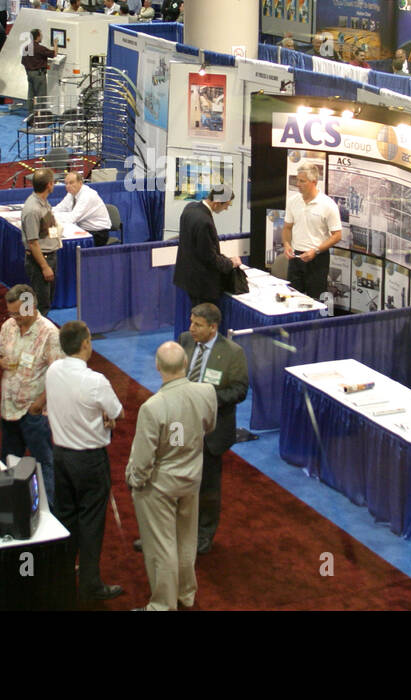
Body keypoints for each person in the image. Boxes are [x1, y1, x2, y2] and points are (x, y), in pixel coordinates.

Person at [126, 340, 217, 611]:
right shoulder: (207, 392)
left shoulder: (153, 407)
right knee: (186, 541)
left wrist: (135, 481)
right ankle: (186, 594)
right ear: (186, 363)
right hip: (191, 479)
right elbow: (209, 426)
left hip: (159, 486)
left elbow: (143, 458)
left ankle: (162, 605)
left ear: (157, 366)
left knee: (161, 547)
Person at [45, 319, 124, 602]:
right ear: (86, 344)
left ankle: (64, 576)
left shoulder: (53, 371)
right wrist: (106, 418)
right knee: (91, 522)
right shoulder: (95, 380)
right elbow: (117, 411)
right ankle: (90, 584)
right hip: (89, 460)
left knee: (66, 517)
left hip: (61, 457)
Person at [178, 303, 249, 553]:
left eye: (197, 324)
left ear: (213, 327)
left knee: (207, 486)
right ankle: (174, 530)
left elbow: (240, 390)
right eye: (191, 322)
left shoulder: (232, 352)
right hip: (182, 426)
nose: (191, 328)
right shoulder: (185, 341)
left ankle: (204, 534)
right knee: (176, 479)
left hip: (211, 431)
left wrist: (208, 398)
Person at [0, 283, 58, 506]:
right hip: (8, 409)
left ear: (32, 306)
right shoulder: (9, 326)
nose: (15, 318)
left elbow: (58, 375)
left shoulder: (49, 333)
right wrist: (3, 362)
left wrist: (38, 405)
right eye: (11, 313)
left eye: (19, 313)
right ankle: (12, 506)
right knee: (10, 460)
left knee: (44, 463)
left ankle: (49, 511)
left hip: (34, 413)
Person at [173, 183, 241, 326]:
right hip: (201, 283)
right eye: (226, 205)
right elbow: (209, 258)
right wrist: (231, 263)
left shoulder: (190, 207)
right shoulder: (204, 222)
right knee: (202, 322)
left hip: (188, 276)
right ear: (216, 203)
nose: (227, 208)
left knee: (195, 318)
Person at [282, 164, 343, 300]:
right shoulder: (293, 202)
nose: (298, 184)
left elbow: (337, 235)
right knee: (292, 299)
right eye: (297, 180)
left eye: (302, 181)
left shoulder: (328, 204)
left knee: (317, 300)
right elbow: (287, 228)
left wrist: (315, 251)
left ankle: (318, 321)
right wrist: (286, 245)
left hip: (317, 259)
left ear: (314, 182)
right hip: (296, 258)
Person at [21, 167, 62, 315]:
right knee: (41, 305)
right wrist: (44, 267)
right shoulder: (32, 210)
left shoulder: (43, 202)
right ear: (49, 185)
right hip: (40, 261)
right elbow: (33, 243)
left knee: (47, 300)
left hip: (49, 255)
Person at [54, 170, 112, 246]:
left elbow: (72, 218)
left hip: (98, 234)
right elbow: (60, 208)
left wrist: (51, 217)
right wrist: (46, 212)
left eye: (71, 183)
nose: (68, 186)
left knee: (67, 243)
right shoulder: (71, 193)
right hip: (83, 230)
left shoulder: (87, 195)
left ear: (80, 183)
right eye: (66, 183)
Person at [21, 28, 56, 108]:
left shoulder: (26, 48)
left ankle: (31, 114)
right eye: (41, 35)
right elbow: (54, 54)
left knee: (31, 95)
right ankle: (40, 116)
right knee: (41, 97)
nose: (42, 37)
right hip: (39, 75)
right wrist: (56, 44)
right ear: (38, 37)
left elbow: (23, 62)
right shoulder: (40, 48)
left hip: (30, 74)